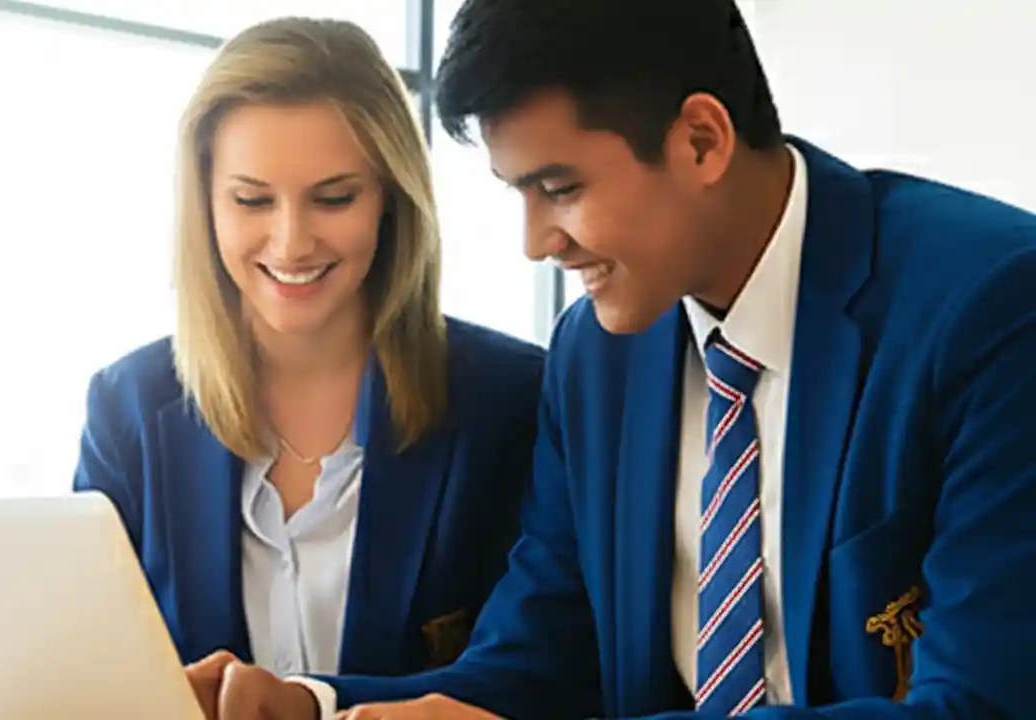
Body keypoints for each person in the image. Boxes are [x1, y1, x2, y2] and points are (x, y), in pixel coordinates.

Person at [206, 0, 1036, 718]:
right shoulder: (593, 358)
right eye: (518, 193)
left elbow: (979, 705)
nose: (537, 243)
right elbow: (539, 658)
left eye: (560, 189)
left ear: (702, 140)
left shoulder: (991, 308)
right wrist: (313, 705)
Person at [0, 17, 545, 720]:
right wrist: (15, 689)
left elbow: (536, 675)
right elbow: (111, 679)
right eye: (251, 199)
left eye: (334, 198)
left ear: (391, 199)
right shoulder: (132, 406)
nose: (291, 242)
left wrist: (303, 707)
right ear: (204, 204)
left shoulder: (512, 399)